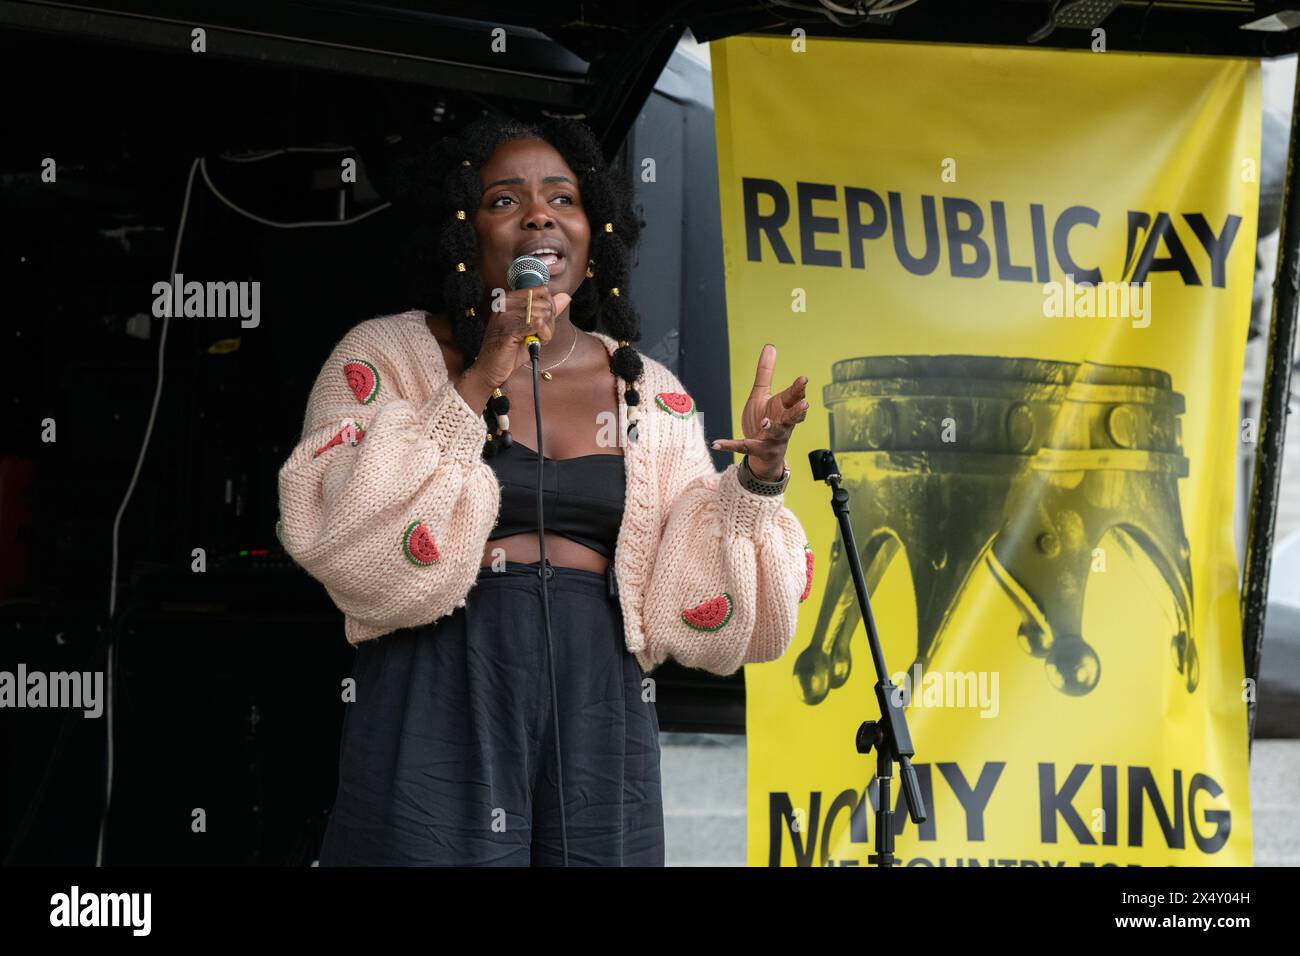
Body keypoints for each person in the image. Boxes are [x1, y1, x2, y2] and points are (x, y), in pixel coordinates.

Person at [276, 115, 813, 866]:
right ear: (464, 233)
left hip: (600, 697)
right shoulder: (385, 356)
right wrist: (477, 376)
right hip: (437, 679)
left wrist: (758, 478)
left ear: (597, 231)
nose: (539, 215)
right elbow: (347, 542)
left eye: (563, 198)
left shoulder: (648, 392)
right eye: (504, 200)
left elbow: (696, 611)